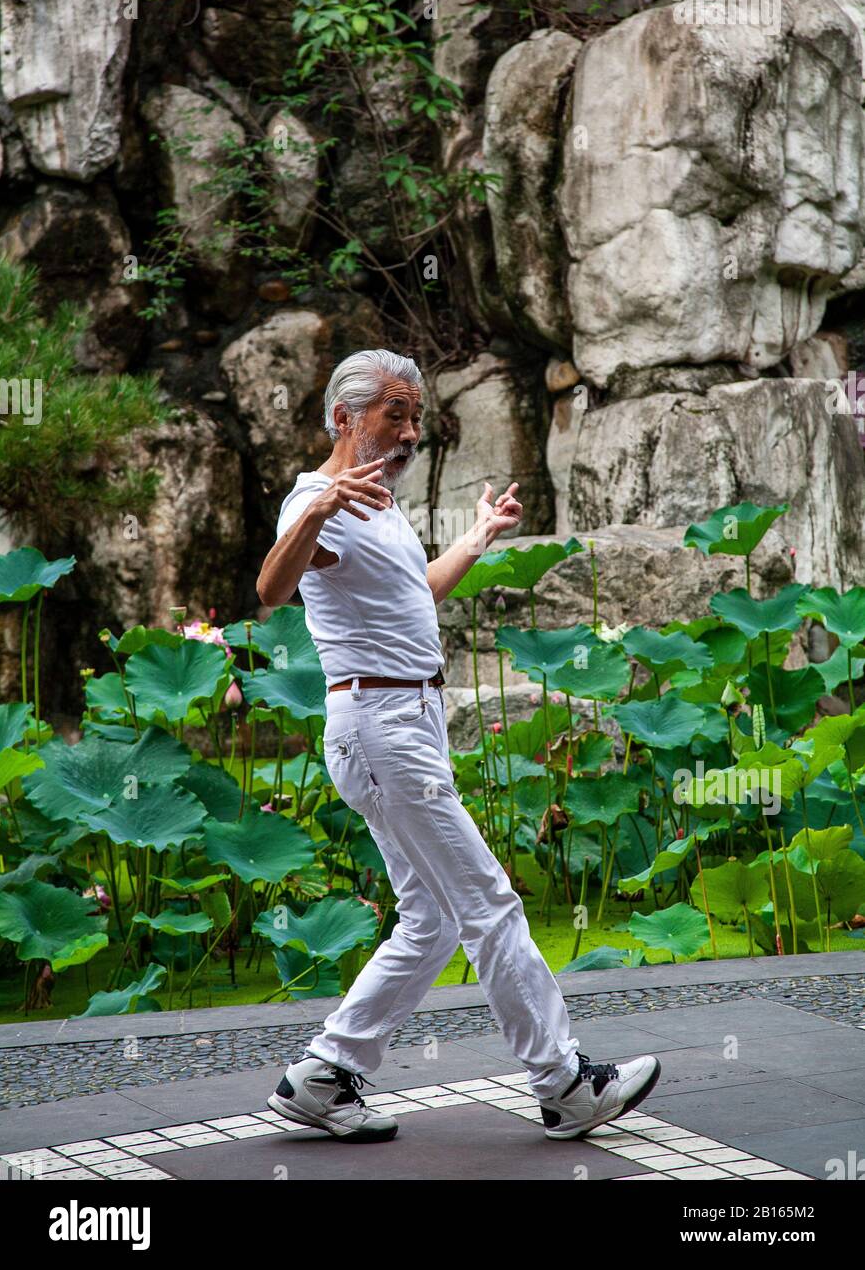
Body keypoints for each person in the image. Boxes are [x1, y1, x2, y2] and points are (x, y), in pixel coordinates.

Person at [255, 348, 660, 1143]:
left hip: (407, 724)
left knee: (434, 920)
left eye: (415, 418)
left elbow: (414, 593)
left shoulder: (380, 504)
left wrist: (476, 537)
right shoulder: (318, 498)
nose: (410, 433)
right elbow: (272, 590)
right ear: (343, 419)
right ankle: (565, 1084)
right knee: (488, 902)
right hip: (379, 727)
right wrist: (316, 511)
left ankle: (324, 1075)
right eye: (392, 416)